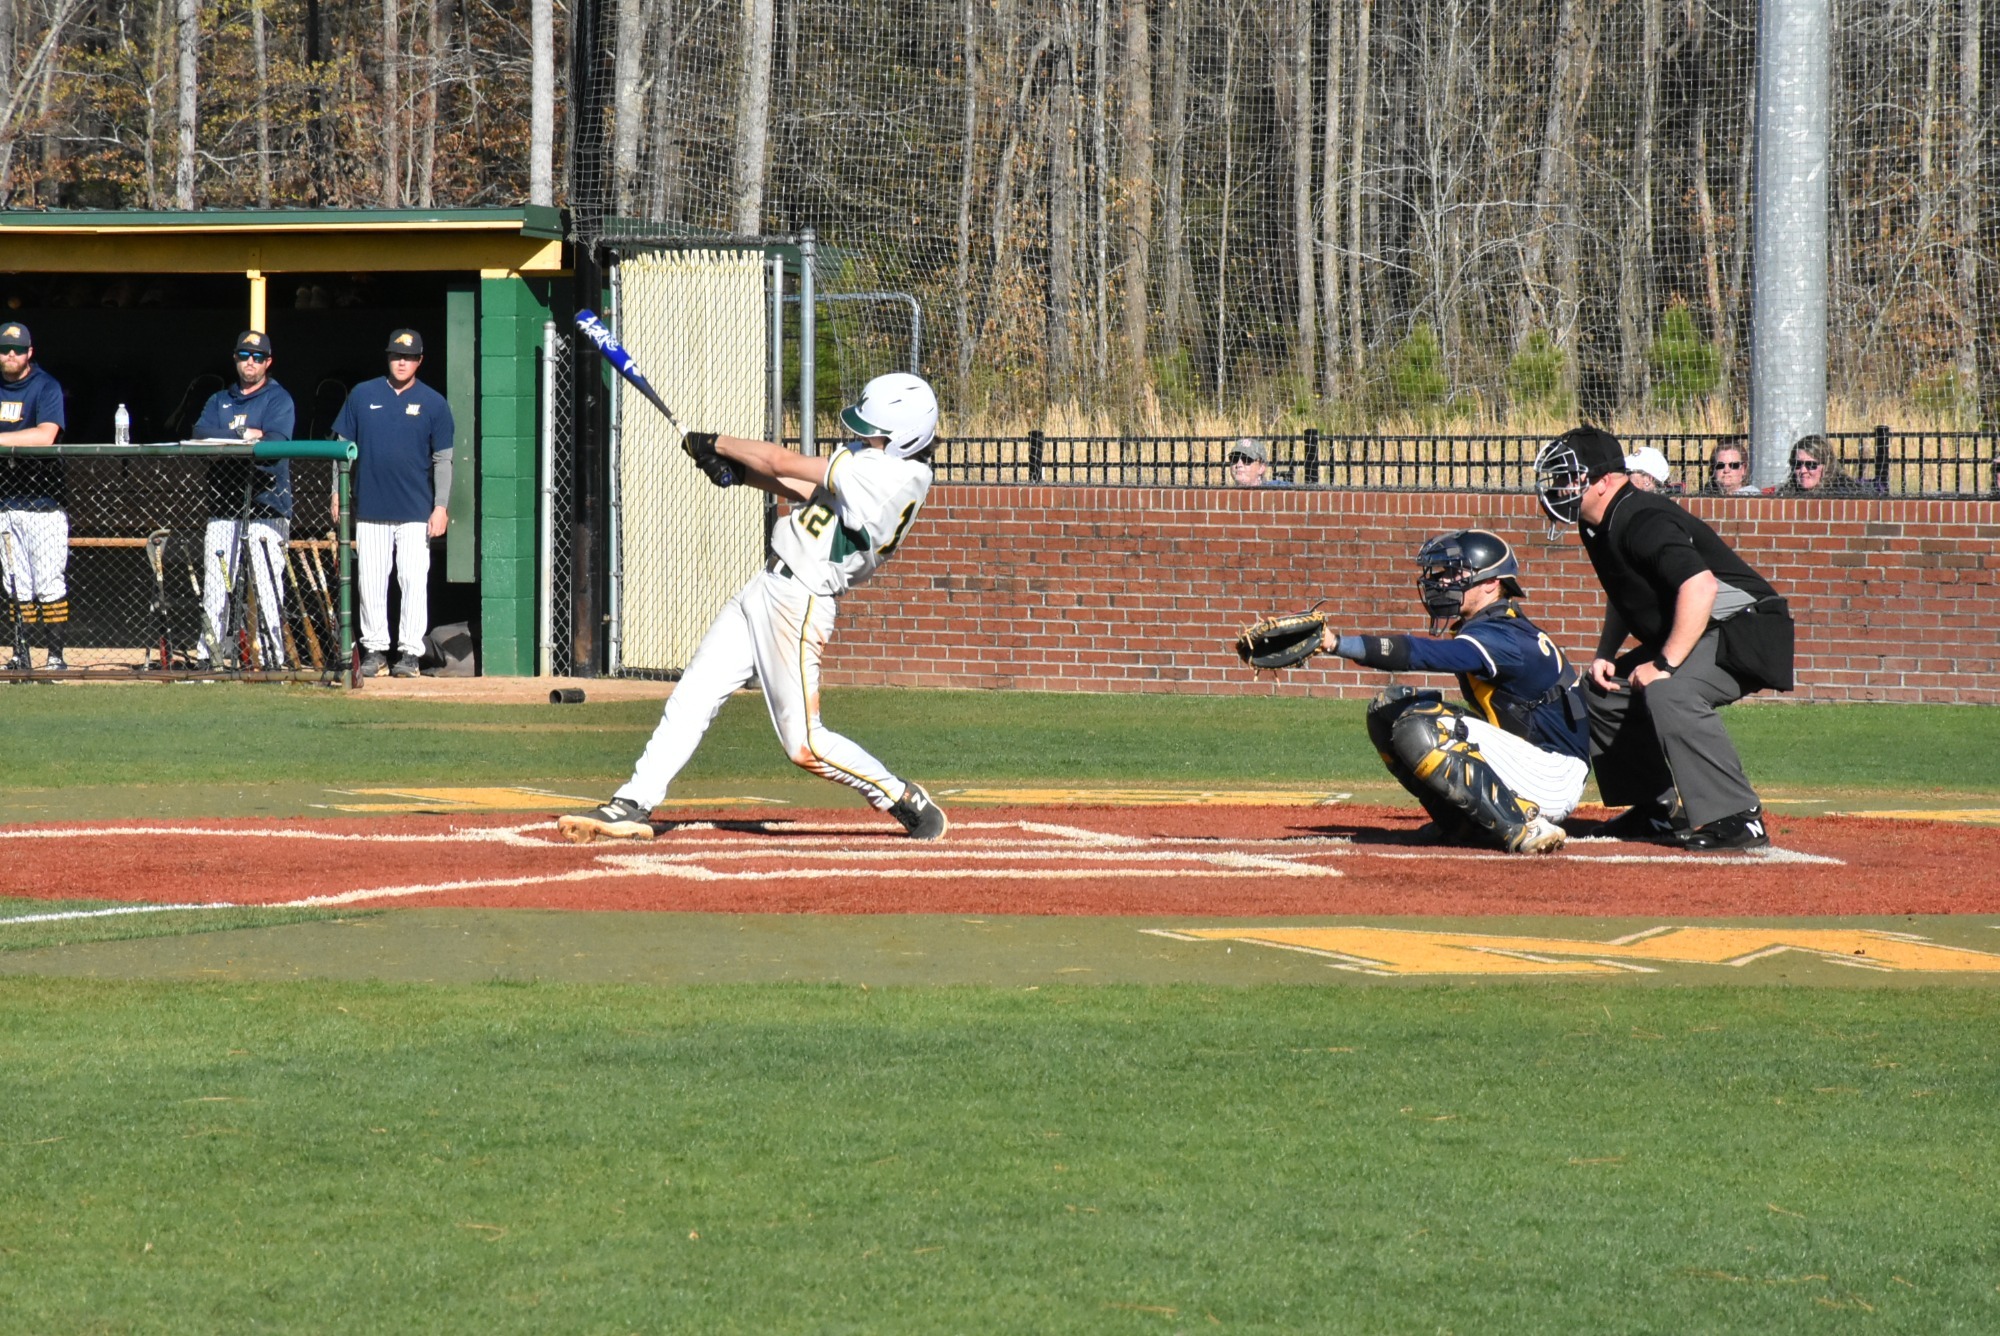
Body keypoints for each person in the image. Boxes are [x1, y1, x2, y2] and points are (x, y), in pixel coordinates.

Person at [560, 373, 950, 845]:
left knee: (805, 744)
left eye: (877, 432)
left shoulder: (890, 476)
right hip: (767, 586)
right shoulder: (879, 463)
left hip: (800, 602)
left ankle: (900, 796)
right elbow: (806, 491)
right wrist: (736, 472)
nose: (865, 436)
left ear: (904, 436)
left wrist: (714, 440)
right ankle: (634, 800)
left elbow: (781, 459)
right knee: (694, 694)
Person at [1535, 425, 1795, 851]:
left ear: (1605, 481)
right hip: (1704, 626)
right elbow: (1625, 592)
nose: (1560, 488)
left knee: (1669, 691)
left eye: (1569, 477)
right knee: (1603, 690)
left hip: (1745, 627)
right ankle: (1656, 809)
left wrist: (1664, 665)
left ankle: (1737, 816)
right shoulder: (1597, 523)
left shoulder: (1642, 517)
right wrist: (1605, 654)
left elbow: (1700, 587)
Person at [1317, 530, 1582, 854]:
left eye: (1456, 574)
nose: (1443, 583)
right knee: (1388, 708)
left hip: (1551, 776)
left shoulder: (1502, 636)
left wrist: (1336, 643)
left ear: (1491, 583)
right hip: (1535, 763)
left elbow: (1424, 654)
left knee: (1421, 724)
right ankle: (1459, 824)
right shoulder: (1499, 625)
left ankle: (1525, 826)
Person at [332, 329, 453, 678]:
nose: (403, 361)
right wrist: (336, 491)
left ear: (420, 360)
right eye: (397, 355)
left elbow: (443, 459)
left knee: (413, 580)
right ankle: (374, 650)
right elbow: (341, 450)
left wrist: (441, 506)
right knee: (370, 581)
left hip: (416, 509)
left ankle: (410, 654)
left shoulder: (433, 402)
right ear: (388, 357)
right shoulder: (362, 394)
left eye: (410, 356)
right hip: (369, 507)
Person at [192, 330, 296, 668]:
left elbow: (276, 444)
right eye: (243, 355)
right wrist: (243, 435)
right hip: (224, 511)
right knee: (218, 585)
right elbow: (199, 435)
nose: (249, 362)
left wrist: (227, 446)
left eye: (257, 357)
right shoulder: (219, 400)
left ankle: (271, 657)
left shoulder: (278, 399)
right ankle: (212, 654)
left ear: (268, 362)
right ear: (235, 358)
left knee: (266, 586)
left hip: (267, 508)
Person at [0, 320, 70, 671]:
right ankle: (20, 654)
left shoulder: (45, 386)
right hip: (4, 503)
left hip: (44, 504)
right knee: (16, 584)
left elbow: (45, 436)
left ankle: (55, 657)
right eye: (3, 349)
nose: (9, 354)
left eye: (16, 349)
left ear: (30, 352)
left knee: (48, 582)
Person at [1774, 434, 1867, 496]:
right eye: (1797, 464)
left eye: (1811, 465)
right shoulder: (1786, 494)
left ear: (1826, 466)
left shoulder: (1845, 494)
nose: (1803, 471)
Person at [1699, 441, 1763, 496]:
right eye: (1720, 465)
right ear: (1714, 470)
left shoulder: (1753, 498)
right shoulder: (1705, 499)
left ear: (1743, 469)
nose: (1726, 470)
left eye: (1734, 465)